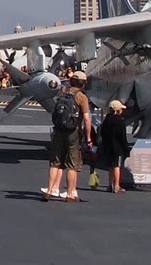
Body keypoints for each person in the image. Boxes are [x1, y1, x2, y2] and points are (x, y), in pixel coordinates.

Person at [43, 73, 91, 202]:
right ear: (83, 83)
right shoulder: (81, 97)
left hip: (58, 131)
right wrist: (89, 138)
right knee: (72, 165)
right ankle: (70, 193)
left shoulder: (62, 94)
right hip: (73, 132)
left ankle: (49, 190)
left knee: (55, 163)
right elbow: (86, 119)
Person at [95, 98, 132, 193]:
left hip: (108, 146)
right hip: (117, 147)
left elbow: (102, 132)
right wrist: (126, 149)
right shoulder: (120, 120)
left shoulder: (107, 119)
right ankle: (116, 186)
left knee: (110, 166)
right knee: (116, 166)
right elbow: (122, 136)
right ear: (118, 110)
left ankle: (110, 185)